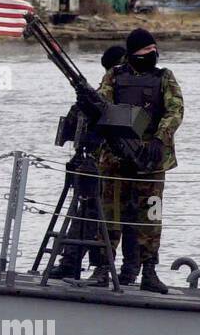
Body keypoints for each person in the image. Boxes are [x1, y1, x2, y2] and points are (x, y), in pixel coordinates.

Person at [96, 28, 184, 293]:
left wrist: (159, 138)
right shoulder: (114, 75)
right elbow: (103, 103)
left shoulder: (164, 77)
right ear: (132, 53)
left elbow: (175, 109)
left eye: (153, 49)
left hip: (152, 161)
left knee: (150, 218)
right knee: (110, 215)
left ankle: (149, 271)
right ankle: (103, 269)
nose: (152, 54)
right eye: (145, 50)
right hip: (116, 159)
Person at [48, 44, 126, 283]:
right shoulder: (105, 91)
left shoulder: (119, 92)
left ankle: (102, 266)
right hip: (95, 163)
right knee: (85, 214)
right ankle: (71, 261)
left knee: (99, 217)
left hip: (115, 166)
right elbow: (74, 124)